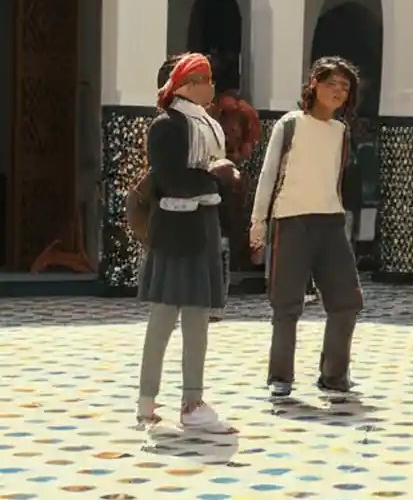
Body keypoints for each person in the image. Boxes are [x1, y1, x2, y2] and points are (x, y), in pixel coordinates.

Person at [250, 57, 364, 398]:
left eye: (345, 87)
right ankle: (280, 376)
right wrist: (258, 222)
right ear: (314, 83)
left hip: (330, 222)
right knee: (287, 304)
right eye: (332, 84)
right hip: (291, 221)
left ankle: (334, 375)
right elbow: (269, 174)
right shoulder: (290, 124)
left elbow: (338, 180)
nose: (339, 92)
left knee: (347, 301)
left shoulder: (341, 131)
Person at [135, 53, 235, 431]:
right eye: (206, 79)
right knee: (163, 318)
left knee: (197, 318)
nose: (211, 86)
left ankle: (192, 401)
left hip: (203, 225)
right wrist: (216, 176)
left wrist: (216, 178)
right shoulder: (167, 126)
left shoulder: (205, 123)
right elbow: (172, 180)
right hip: (176, 230)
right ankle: (148, 402)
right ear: (190, 84)